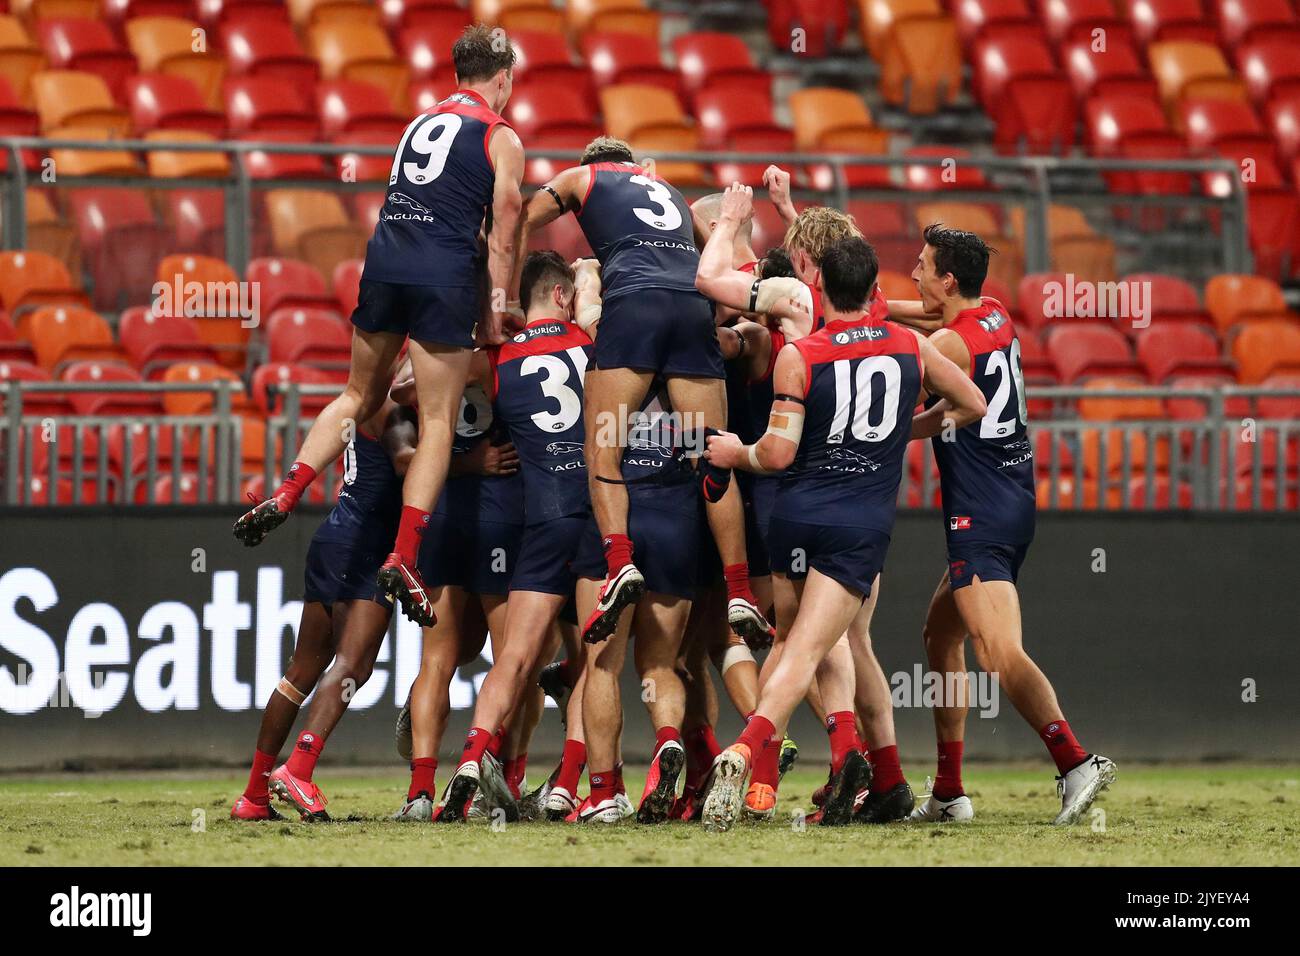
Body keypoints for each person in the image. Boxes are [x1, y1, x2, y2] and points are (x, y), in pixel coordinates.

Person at [699, 219, 988, 834]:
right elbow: (972, 404)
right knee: (810, 648)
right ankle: (748, 752)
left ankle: (882, 778)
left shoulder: (801, 355)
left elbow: (775, 456)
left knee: (827, 645)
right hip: (858, 528)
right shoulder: (909, 346)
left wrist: (735, 454)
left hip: (794, 520)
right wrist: (901, 433)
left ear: (822, 285)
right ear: (874, 286)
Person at [233, 25, 524, 630]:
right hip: (442, 268)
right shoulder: (501, 135)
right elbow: (507, 221)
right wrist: (496, 305)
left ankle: (287, 492)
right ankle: (405, 555)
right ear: (501, 79)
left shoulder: (416, 124)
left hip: (386, 259)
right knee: (439, 419)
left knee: (357, 394)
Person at [512, 137, 774, 648]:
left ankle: (617, 561)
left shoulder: (583, 178)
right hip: (690, 307)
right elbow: (722, 268)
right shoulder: (671, 190)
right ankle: (740, 589)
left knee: (601, 449)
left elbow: (518, 218)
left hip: (634, 304)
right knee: (714, 453)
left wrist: (494, 285)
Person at [906, 224, 1116, 825]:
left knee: (998, 653)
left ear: (947, 280)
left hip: (982, 510)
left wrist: (850, 321)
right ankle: (949, 791)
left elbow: (913, 354)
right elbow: (924, 324)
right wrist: (872, 307)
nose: (914, 274)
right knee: (939, 636)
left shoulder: (949, 346)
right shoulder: (992, 313)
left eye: (922, 266)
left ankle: (1076, 761)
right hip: (1014, 497)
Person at [438, 251, 603, 822]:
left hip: (541, 522)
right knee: (591, 662)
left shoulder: (499, 360)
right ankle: (570, 783)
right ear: (562, 295)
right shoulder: (594, 344)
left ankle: (469, 760)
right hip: (594, 517)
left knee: (513, 658)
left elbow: (413, 388)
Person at [231, 386, 416, 821]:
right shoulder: (394, 408)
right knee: (354, 664)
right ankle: (298, 769)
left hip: (334, 537)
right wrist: (466, 462)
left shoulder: (363, 400)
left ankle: (254, 796)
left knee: (301, 671)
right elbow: (407, 462)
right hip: (366, 547)